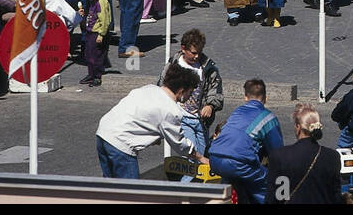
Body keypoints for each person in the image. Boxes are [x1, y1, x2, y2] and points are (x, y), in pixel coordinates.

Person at [95, 63, 208, 178]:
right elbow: (180, 144)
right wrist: (200, 157)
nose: (190, 96)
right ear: (181, 90)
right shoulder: (171, 110)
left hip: (103, 133)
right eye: (190, 92)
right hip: (120, 143)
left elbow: (141, 117)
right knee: (130, 191)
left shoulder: (149, 88)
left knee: (109, 188)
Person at [207, 78, 284, 204]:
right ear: (265, 98)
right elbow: (278, 152)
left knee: (229, 188)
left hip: (215, 158)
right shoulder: (268, 117)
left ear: (245, 97)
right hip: (239, 162)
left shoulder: (237, 112)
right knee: (268, 186)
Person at [157, 27, 224, 155]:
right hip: (182, 117)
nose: (197, 56)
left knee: (203, 152)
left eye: (199, 52)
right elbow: (162, 86)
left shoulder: (208, 68)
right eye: (193, 53)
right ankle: (189, 175)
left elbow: (216, 90)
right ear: (183, 49)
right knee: (191, 154)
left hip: (200, 120)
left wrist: (210, 105)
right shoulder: (174, 65)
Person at [265, 103, 343, 204]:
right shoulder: (332, 157)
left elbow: (276, 196)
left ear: (298, 127)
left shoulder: (280, 156)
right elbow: (335, 196)